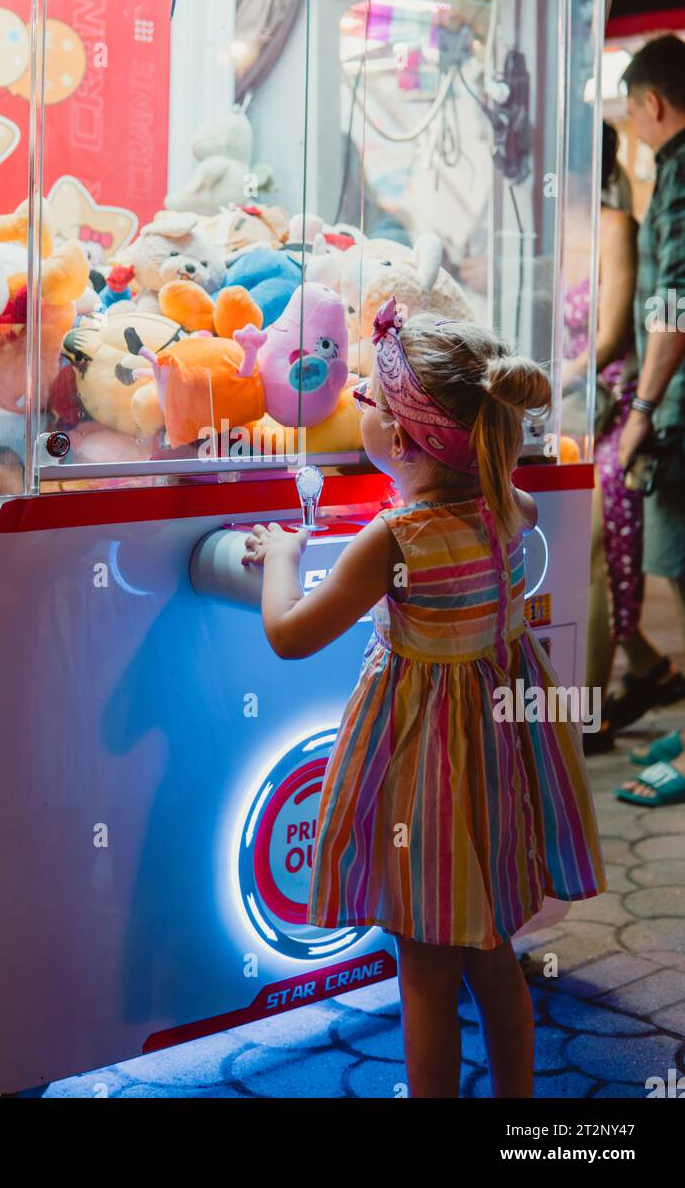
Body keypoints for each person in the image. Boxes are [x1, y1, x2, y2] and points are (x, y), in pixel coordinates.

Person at [242, 302, 606, 1098]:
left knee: (424, 975)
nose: (358, 406)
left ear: (403, 441)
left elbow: (291, 635)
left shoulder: (394, 540)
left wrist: (282, 554)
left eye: (368, 396)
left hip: (424, 776)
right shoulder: (512, 508)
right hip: (494, 774)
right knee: (491, 951)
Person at [563, 122, 685, 755]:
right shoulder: (554, 234)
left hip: (612, 404)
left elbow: (611, 336)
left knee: (592, 548)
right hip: (566, 409)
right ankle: (648, 668)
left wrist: (557, 375)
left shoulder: (617, 228)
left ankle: (589, 716)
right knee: (582, 553)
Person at [616, 35, 685, 806]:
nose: (634, 128)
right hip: (675, 401)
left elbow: (676, 301)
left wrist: (641, 408)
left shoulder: (680, 173)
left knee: (683, 565)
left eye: (634, 113)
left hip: (678, 410)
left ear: (653, 104)